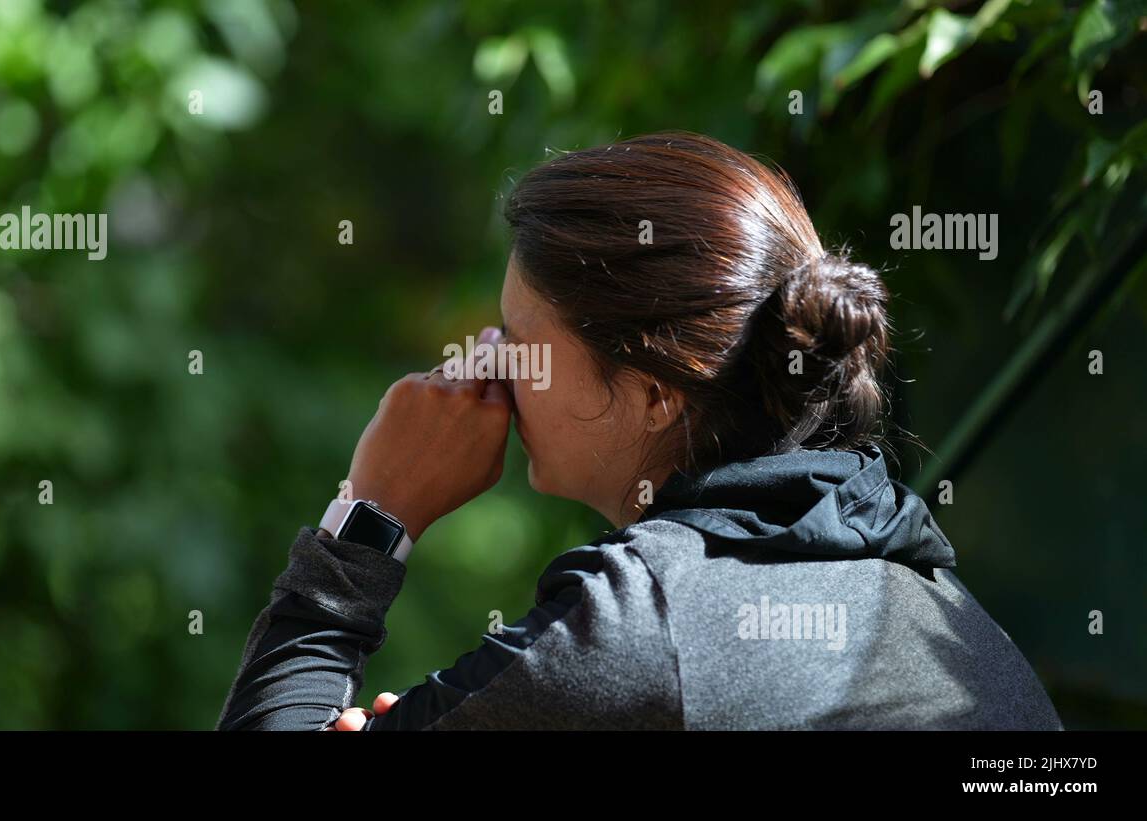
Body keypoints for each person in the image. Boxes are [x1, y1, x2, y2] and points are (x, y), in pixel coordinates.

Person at [215, 131, 1063, 731]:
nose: (487, 363)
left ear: (655, 393)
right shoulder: (941, 604)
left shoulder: (638, 626)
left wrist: (374, 513)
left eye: (520, 340)